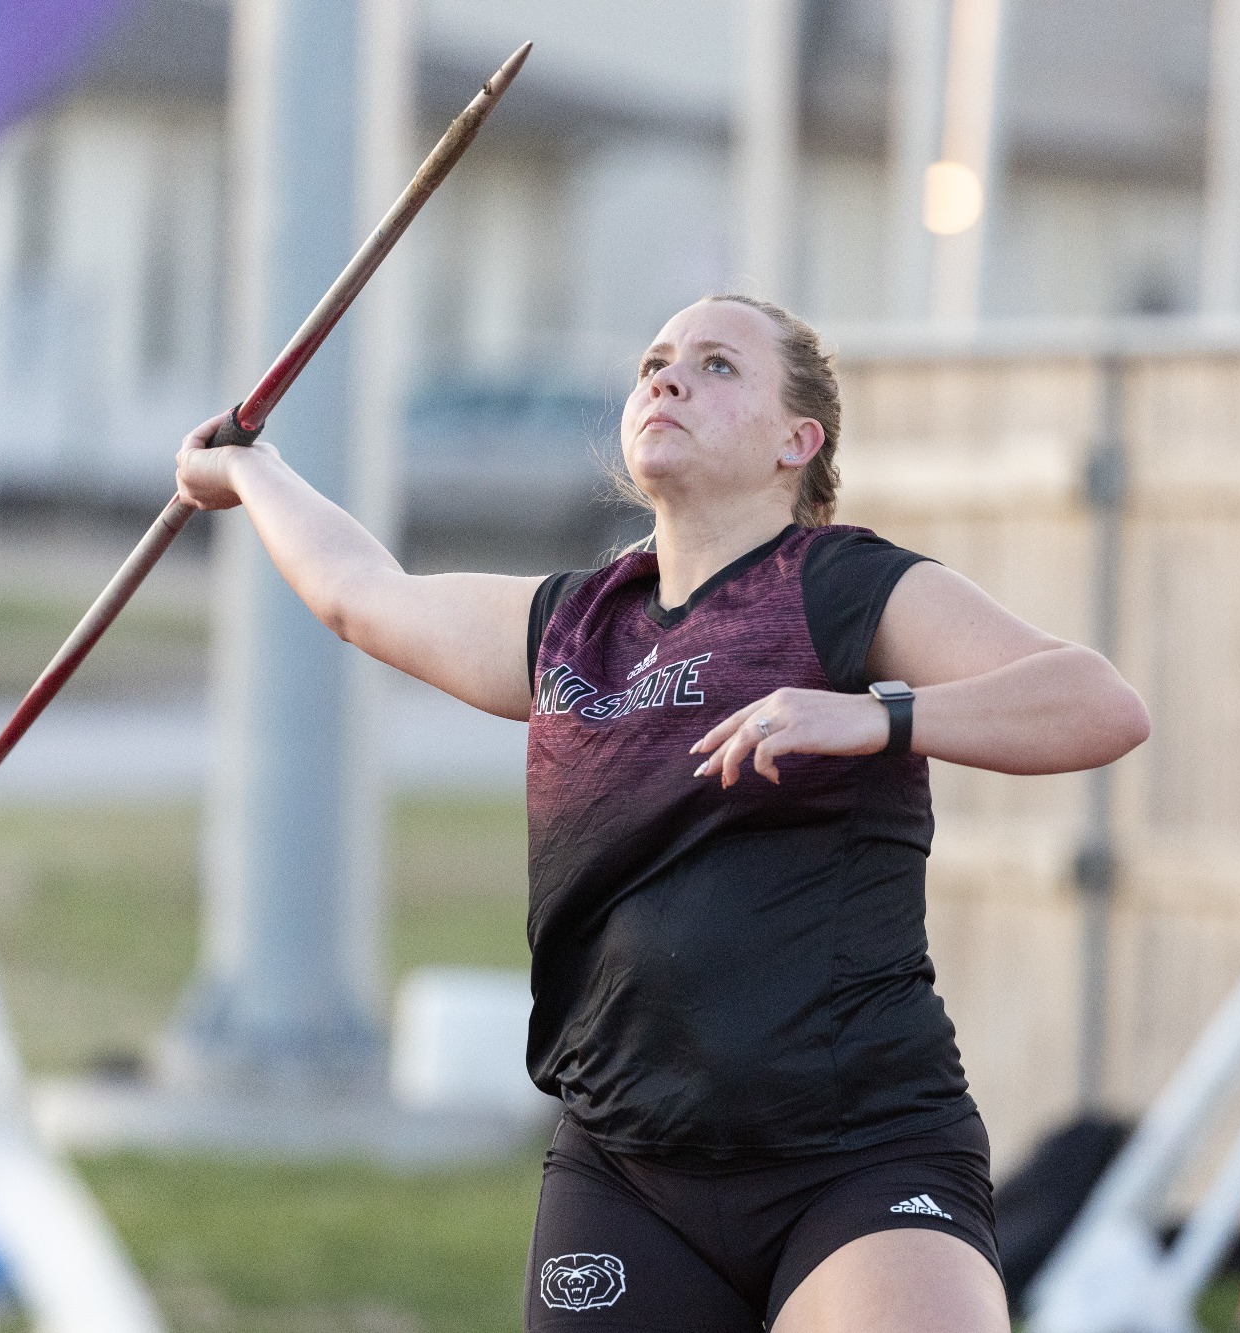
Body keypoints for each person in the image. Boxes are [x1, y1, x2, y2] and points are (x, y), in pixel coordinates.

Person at [175, 293, 1150, 1333]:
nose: (668, 377)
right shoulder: (572, 626)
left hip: (860, 1154)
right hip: (628, 1172)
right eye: (654, 363)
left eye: (717, 365)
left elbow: (1099, 704)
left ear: (796, 442)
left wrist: (875, 717)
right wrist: (248, 471)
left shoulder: (840, 586)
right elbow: (358, 593)